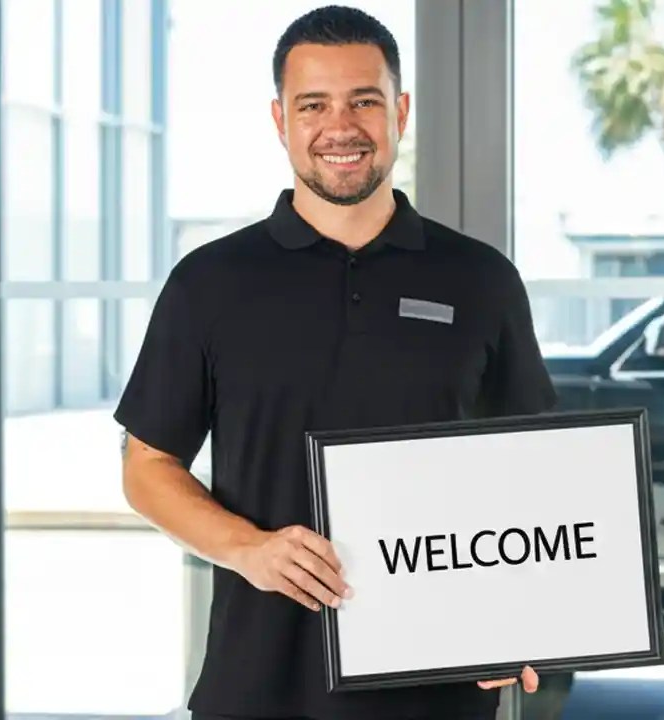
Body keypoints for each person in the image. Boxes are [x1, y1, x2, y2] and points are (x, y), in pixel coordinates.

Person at [115, 5, 555, 719]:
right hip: (259, 687)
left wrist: (526, 616)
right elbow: (147, 467)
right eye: (313, 104)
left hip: (437, 692)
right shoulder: (211, 283)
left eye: (364, 101)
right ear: (280, 119)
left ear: (400, 111)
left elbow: (533, 470)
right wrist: (248, 548)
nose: (340, 127)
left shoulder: (480, 280)